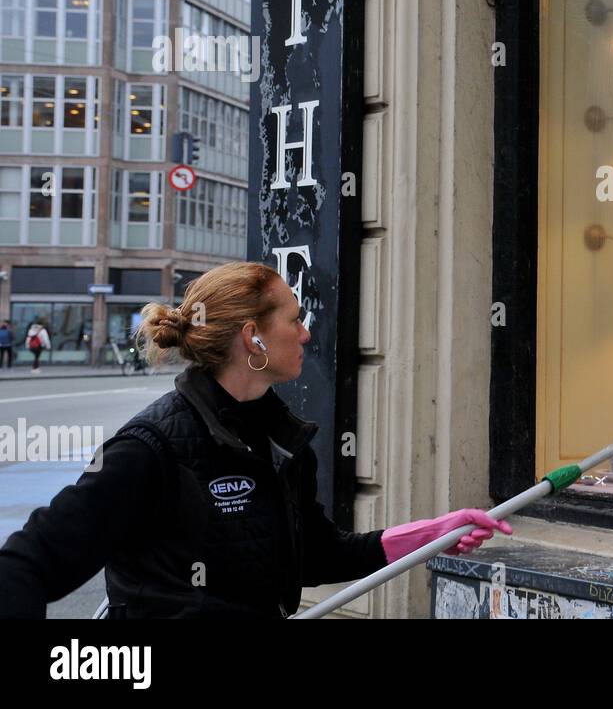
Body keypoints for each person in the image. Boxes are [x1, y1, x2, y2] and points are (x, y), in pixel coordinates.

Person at [0, 261, 511, 618]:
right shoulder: (149, 449)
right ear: (253, 338)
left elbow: (315, 556)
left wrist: (427, 534)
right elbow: (26, 565)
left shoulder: (280, 441)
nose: (306, 334)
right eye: (294, 319)